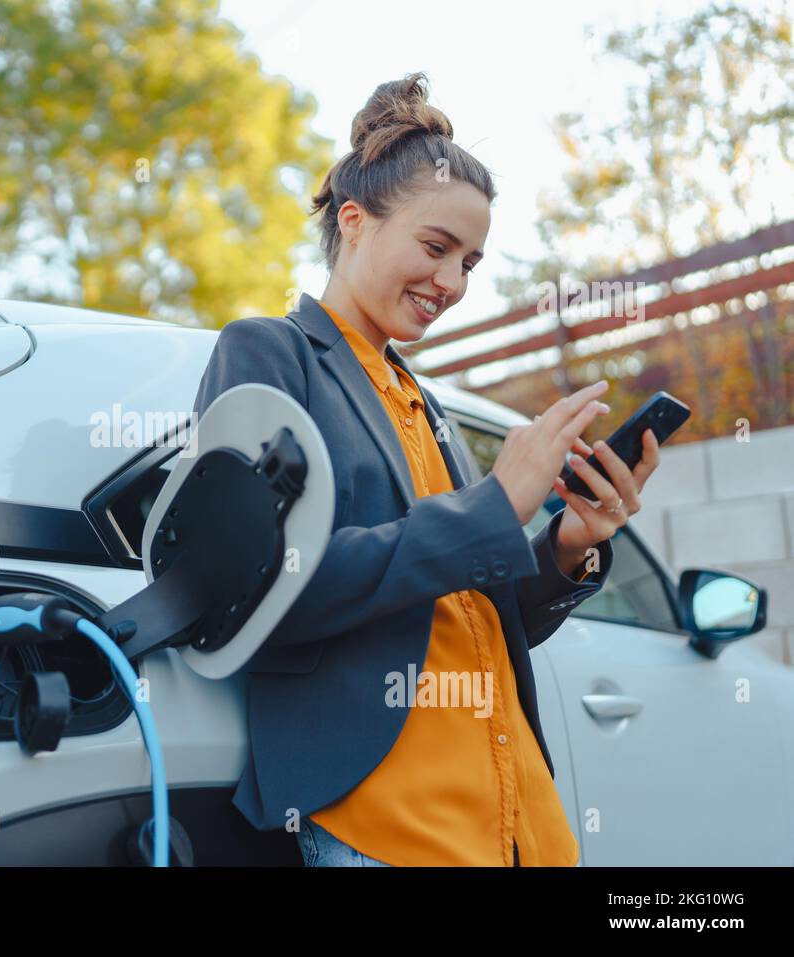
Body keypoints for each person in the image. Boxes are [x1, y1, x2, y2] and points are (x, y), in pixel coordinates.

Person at [191, 73, 661, 867]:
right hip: (389, 825)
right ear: (355, 221)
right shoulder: (268, 353)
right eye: (436, 248)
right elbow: (260, 585)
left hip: (517, 823)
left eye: (471, 262)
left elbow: (474, 614)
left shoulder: (421, 398)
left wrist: (566, 545)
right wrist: (494, 506)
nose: (453, 283)